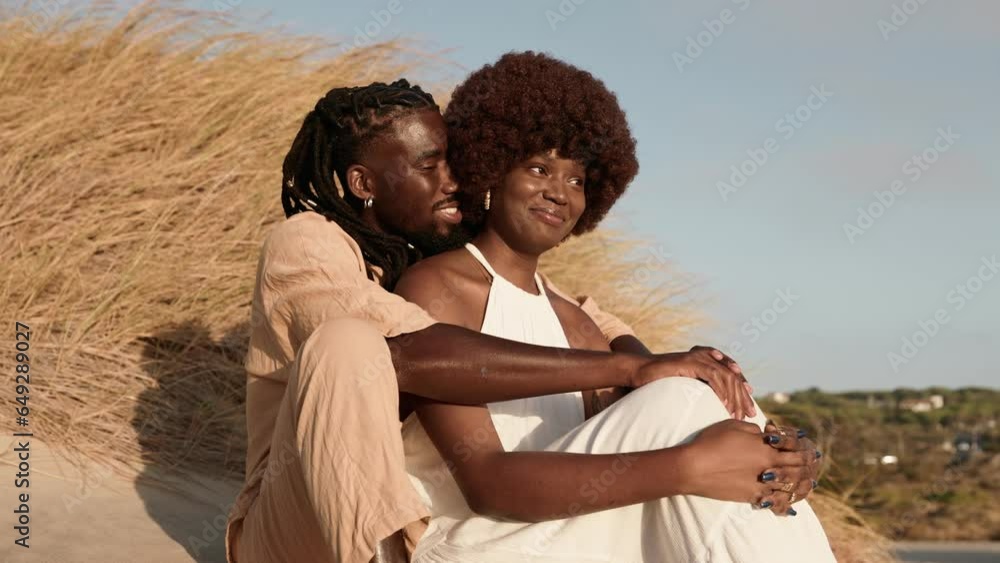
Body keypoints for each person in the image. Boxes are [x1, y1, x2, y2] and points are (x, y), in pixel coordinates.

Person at [225, 79, 818, 563]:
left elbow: (593, 321)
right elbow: (414, 354)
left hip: (472, 528)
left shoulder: (472, 271)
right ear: (364, 183)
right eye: (431, 166)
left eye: (577, 180)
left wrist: (772, 446)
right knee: (350, 344)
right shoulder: (310, 243)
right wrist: (637, 376)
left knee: (689, 393)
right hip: (295, 525)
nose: (453, 181)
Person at [393, 52, 835, 562]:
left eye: (577, 180)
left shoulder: (577, 324)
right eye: (539, 168)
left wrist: (783, 455)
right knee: (681, 397)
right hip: (478, 544)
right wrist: (691, 466)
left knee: (705, 389)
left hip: (577, 540)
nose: (559, 193)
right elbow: (489, 486)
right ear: (491, 170)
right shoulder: (438, 287)